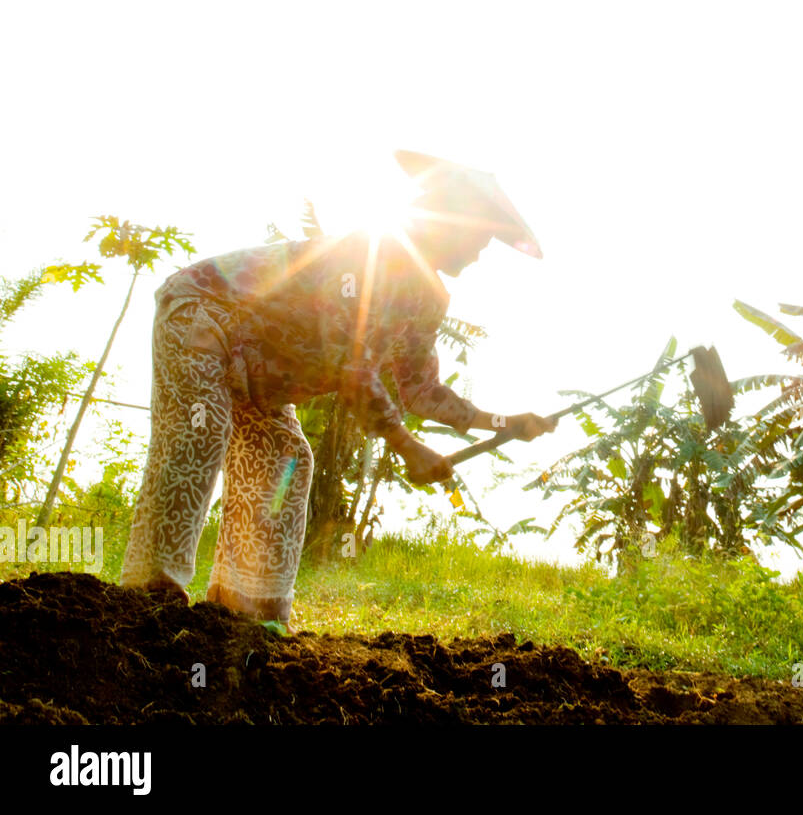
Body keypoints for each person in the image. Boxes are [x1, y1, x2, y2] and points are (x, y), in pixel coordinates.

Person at [119, 151, 555, 625]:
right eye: (479, 237)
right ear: (446, 221)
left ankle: (244, 610)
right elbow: (351, 363)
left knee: (288, 456)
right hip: (208, 314)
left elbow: (419, 388)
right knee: (200, 431)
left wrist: (506, 423)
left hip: (259, 375)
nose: (479, 253)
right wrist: (407, 447)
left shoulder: (428, 297)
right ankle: (149, 598)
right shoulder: (364, 257)